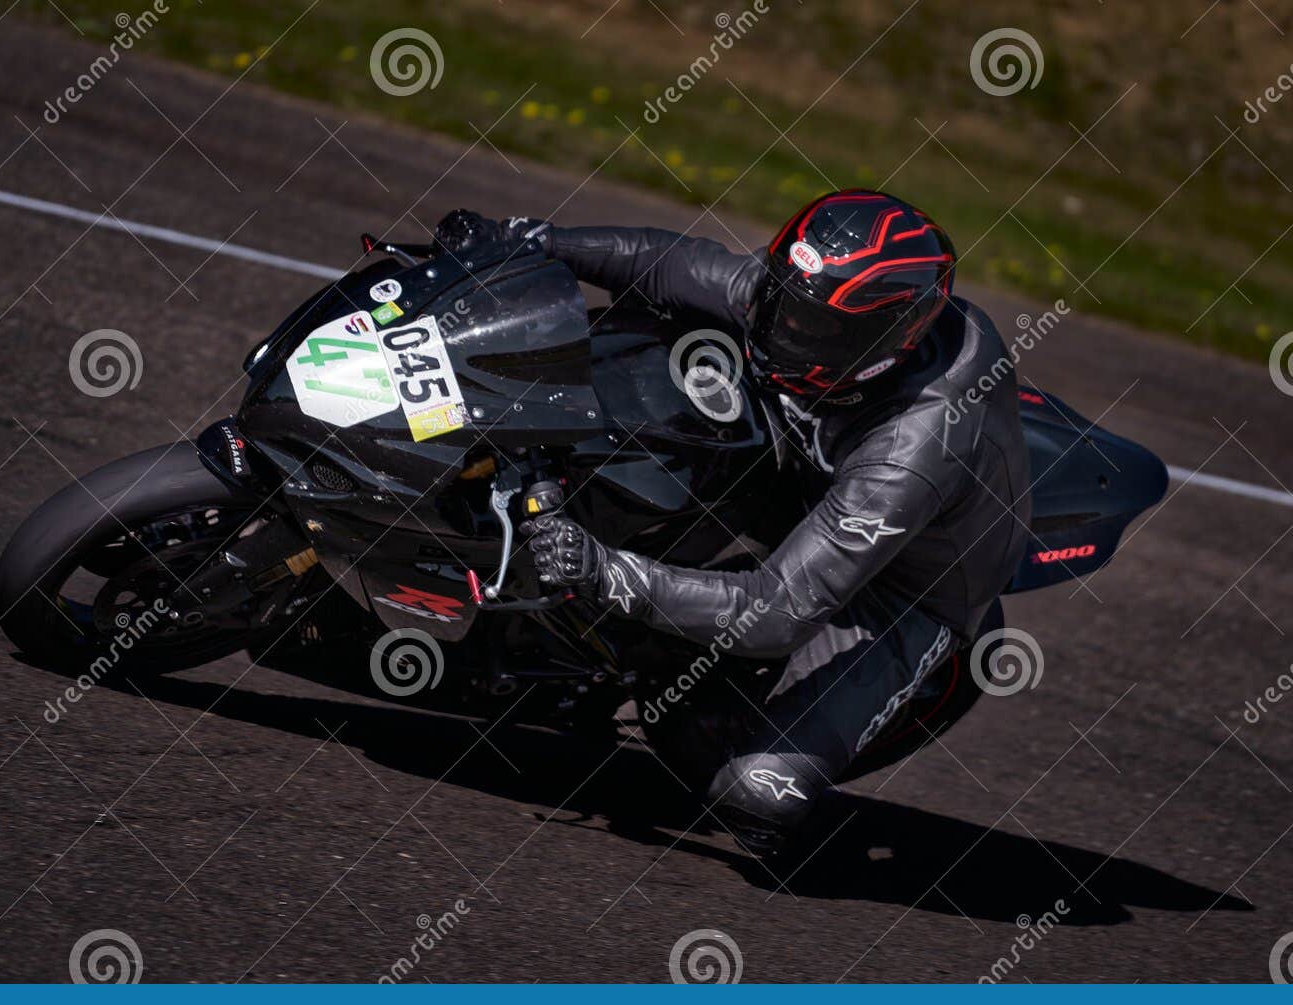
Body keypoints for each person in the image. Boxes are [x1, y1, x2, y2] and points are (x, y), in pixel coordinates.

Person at [435, 191, 1031, 861]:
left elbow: (777, 612)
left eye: (813, 329)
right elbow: (670, 264)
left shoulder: (915, 447)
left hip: (901, 593)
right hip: (805, 484)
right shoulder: (809, 299)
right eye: (780, 303)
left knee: (752, 790)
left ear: (891, 339)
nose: (780, 332)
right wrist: (533, 240)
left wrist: (604, 572)